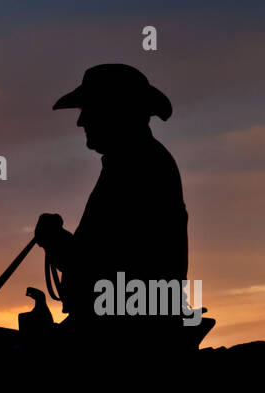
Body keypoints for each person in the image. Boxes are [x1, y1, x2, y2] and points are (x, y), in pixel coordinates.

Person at [34, 64, 192, 349]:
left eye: (88, 111)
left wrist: (55, 241)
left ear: (115, 111)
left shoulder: (136, 167)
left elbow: (103, 262)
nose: (81, 123)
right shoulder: (140, 161)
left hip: (123, 333)